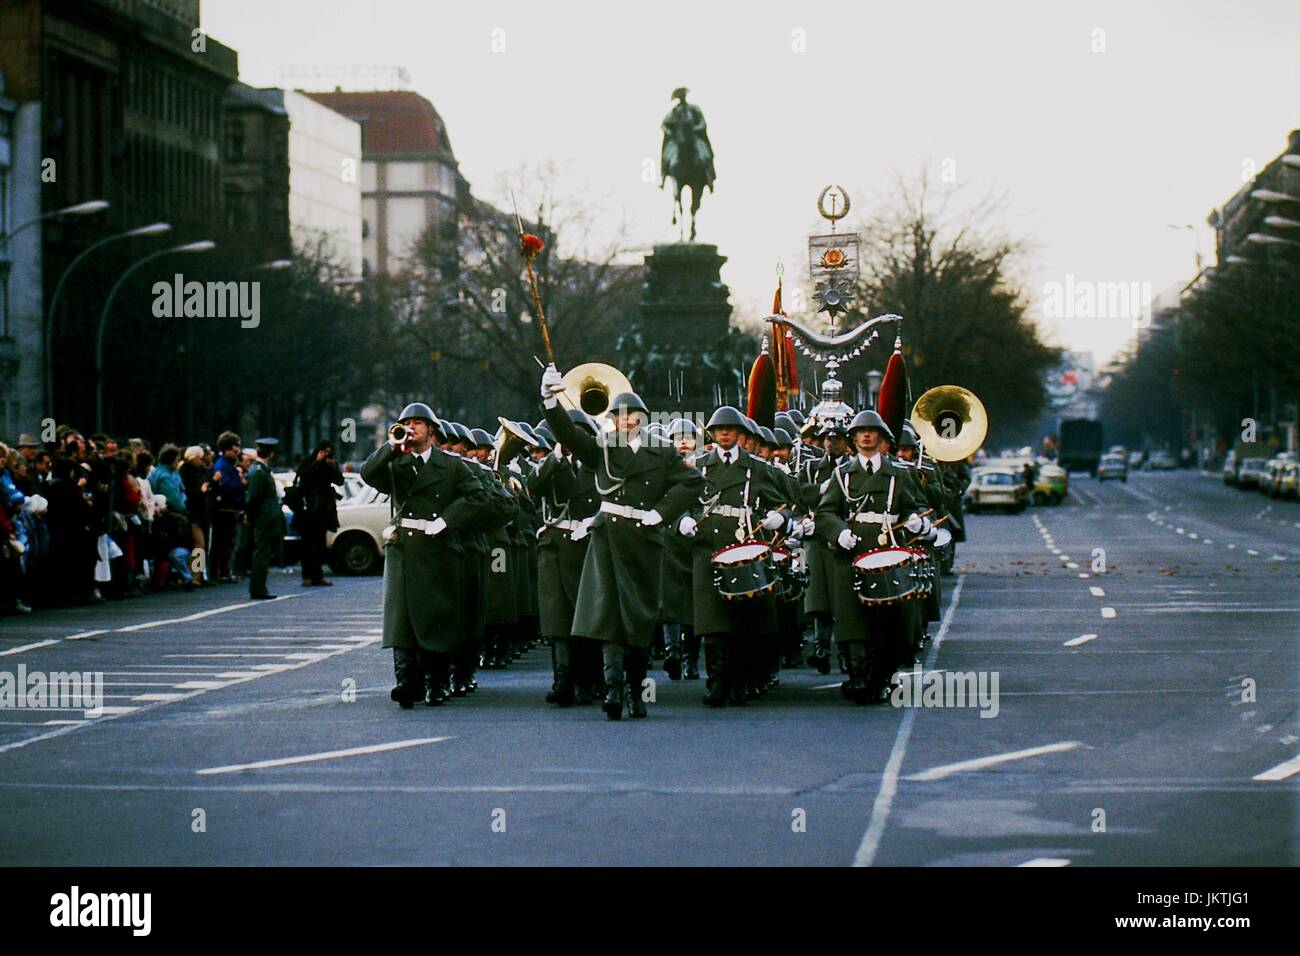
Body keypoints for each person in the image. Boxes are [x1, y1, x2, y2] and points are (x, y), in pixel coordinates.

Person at [540, 366, 705, 720]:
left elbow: (692, 483)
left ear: (642, 419)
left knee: (639, 618)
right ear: (611, 419)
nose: (625, 419)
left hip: (644, 539)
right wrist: (550, 399)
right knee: (609, 616)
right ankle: (614, 691)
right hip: (608, 536)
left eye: (632, 414)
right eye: (618, 414)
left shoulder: (661, 452)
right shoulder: (601, 448)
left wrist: (661, 513)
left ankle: (636, 692)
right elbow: (567, 432)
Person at [361, 404, 490, 709]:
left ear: (431, 430)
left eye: (418, 423)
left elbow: (479, 497)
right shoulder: (397, 462)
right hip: (405, 547)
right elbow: (369, 473)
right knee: (401, 619)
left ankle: (436, 682)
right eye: (407, 423)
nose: (412, 427)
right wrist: (392, 447)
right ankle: (406, 682)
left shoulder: (452, 465)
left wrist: (446, 520)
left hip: (438, 548)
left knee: (436, 619)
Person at [815, 410, 935, 704]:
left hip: (888, 552)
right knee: (854, 621)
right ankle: (859, 678)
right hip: (852, 552)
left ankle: (882, 678)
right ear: (853, 440)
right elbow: (826, 512)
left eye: (872, 432)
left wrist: (916, 521)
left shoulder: (900, 473)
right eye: (860, 432)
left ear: (882, 438)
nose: (866, 436)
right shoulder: (841, 474)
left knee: (888, 622)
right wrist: (838, 531)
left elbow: (915, 506)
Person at [680, 406, 797, 707]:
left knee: (743, 623)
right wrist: (682, 519)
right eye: (719, 429)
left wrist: (777, 518)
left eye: (731, 428)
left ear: (740, 434)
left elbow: (780, 503)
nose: (725, 433)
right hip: (708, 548)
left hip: (743, 548)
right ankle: (717, 683)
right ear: (712, 434)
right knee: (712, 622)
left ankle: (740, 683)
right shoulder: (698, 466)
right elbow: (678, 499)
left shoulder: (757, 468)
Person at [294, 439, 344, 587]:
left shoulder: (329, 466)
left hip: (323, 510)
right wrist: (317, 461)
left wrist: (333, 466)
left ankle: (318, 575)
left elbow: (340, 481)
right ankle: (307, 575)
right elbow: (303, 475)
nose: (326, 455)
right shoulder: (308, 462)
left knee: (320, 545)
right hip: (308, 509)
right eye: (324, 451)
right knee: (307, 544)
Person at [244, 438, 284, 600]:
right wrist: (251, 517)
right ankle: (258, 588)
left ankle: (259, 587)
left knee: (264, 553)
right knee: (262, 553)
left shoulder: (260, 470)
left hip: (265, 518)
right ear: (271, 453)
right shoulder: (259, 472)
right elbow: (254, 498)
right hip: (264, 519)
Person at [210, 432, 245, 583]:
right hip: (224, 510)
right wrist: (241, 484)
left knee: (225, 543)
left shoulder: (227, 466)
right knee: (219, 544)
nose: (237, 450)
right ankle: (210, 573)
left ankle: (217, 572)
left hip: (229, 510)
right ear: (228, 448)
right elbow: (224, 486)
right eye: (235, 447)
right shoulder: (223, 466)